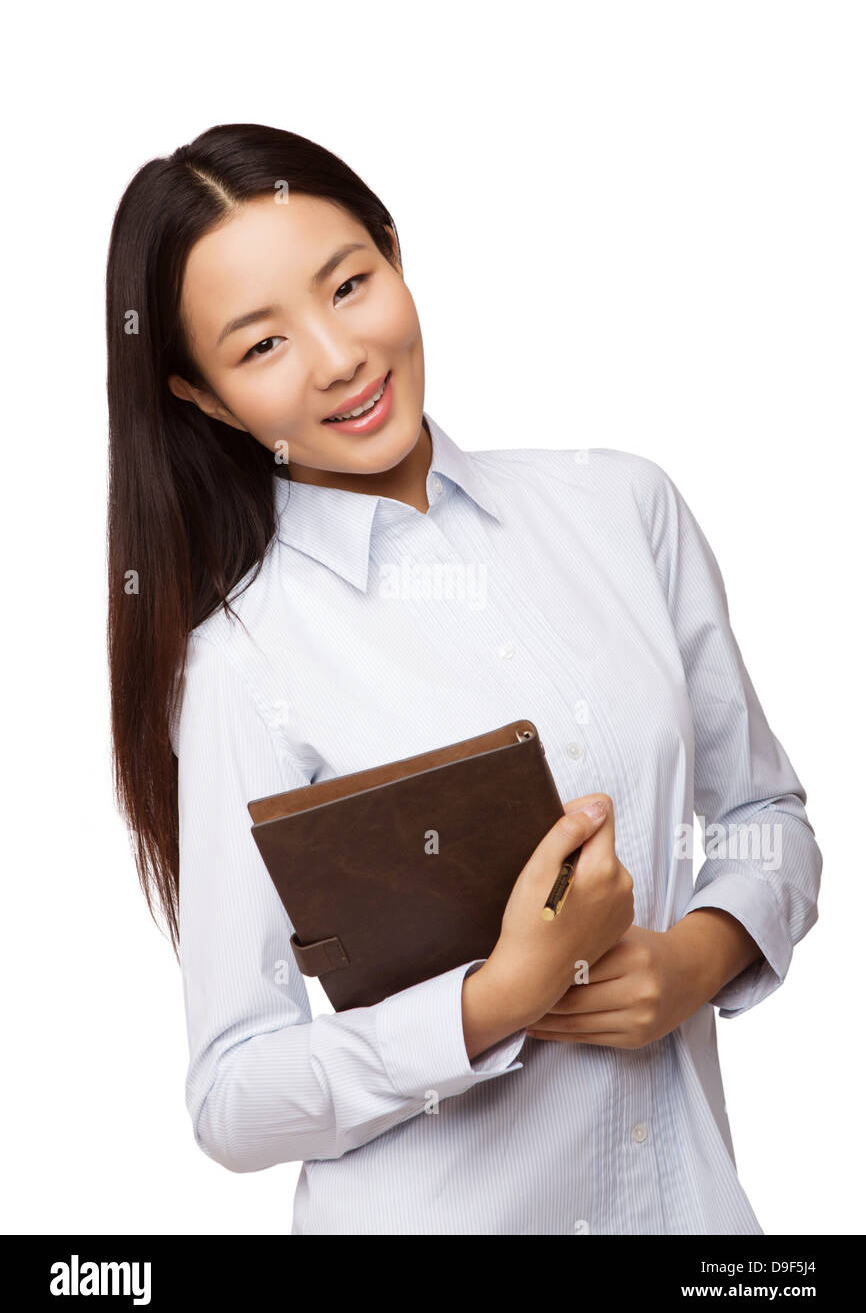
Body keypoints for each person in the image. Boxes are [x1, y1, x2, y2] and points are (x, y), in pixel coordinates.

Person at [106, 122, 822, 1235]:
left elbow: (763, 815)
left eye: (348, 284)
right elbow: (231, 1094)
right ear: (201, 398)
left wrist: (699, 953)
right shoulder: (241, 662)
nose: (337, 355)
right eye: (260, 347)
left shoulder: (621, 509)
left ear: (393, 253)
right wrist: (490, 1004)